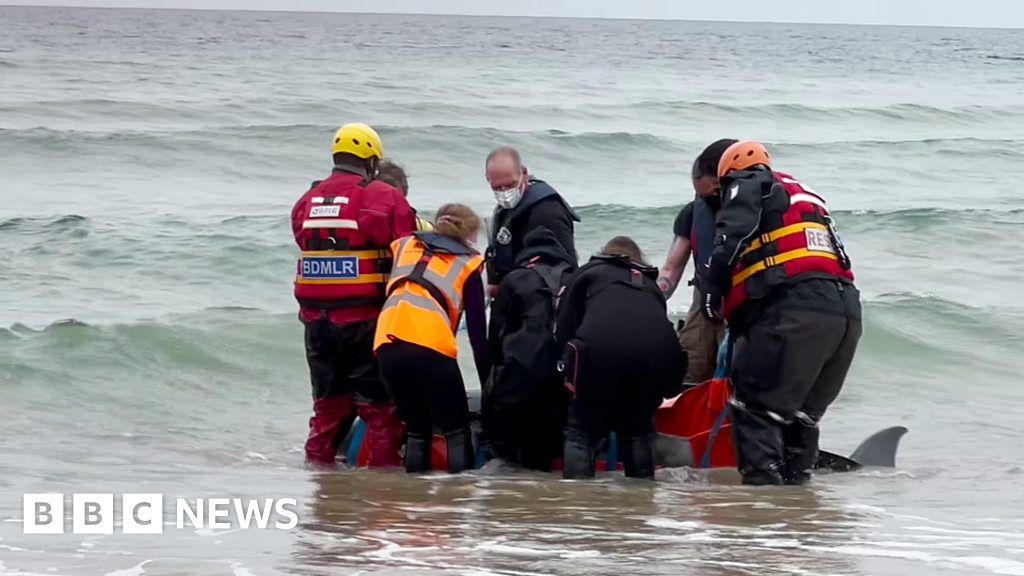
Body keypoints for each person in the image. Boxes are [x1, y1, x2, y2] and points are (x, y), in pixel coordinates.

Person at [700, 140, 861, 486]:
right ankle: (794, 514)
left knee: (756, 411)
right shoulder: (808, 198)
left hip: (794, 312)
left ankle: (763, 517)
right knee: (800, 420)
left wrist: (712, 289)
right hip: (844, 315)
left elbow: (731, 236)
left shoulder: (747, 182)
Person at [292, 122, 416, 468]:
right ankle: (382, 484)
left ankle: (317, 477)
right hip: (364, 320)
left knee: (328, 408)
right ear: (372, 160)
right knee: (380, 410)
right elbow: (407, 250)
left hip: (316, 322)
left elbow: (302, 239)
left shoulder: (308, 200)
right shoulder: (382, 196)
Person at [556, 237, 687, 479]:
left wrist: (563, 375)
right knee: (637, 429)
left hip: (599, 354)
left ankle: (576, 501)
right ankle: (641, 497)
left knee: (581, 430)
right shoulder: (650, 286)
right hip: (655, 357)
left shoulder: (587, 274)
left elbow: (564, 329)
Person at [373, 204, 490, 473]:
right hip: (429, 349)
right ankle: (457, 499)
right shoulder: (468, 264)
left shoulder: (404, 246)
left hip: (386, 345)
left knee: (416, 430)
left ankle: (416, 501)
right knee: (455, 431)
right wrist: (488, 381)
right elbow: (476, 334)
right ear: (470, 236)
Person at [482, 226, 575, 470]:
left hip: (521, 368)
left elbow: (497, 333)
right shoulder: (574, 279)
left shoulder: (516, 278)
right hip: (561, 372)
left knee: (509, 448)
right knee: (545, 445)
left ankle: (516, 496)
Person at [657, 139, 737, 384]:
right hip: (702, 304)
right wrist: (649, 299)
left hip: (737, 304)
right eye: (700, 194)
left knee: (735, 379)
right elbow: (671, 268)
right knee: (688, 370)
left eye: (711, 193)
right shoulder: (693, 213)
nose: (706, 200)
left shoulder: (756, 213)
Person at [484, 147, 579, 289]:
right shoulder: (506, 209)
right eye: (497, 188)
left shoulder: (547, 211)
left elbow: (566, 266)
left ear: (524, 173)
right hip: (512, 292)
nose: (504, 193)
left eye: (510, 185)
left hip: (537, 299)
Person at [376, 159, 434, 232]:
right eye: (375, 186)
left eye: (389, 185)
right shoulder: (361, 222)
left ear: (405, 189)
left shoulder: (423, 228)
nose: (384, 191)